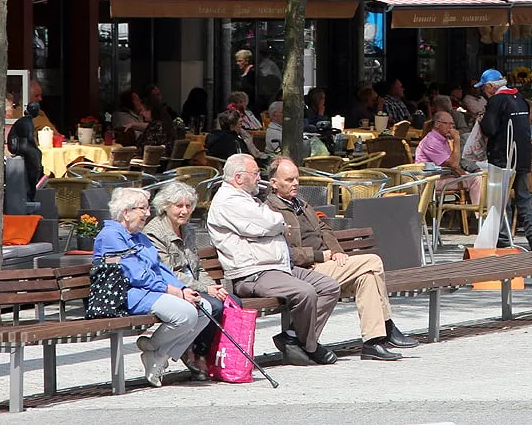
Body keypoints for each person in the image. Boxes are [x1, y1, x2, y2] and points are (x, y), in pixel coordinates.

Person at [263, 157, 417, 361]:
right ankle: (388, 326)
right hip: (305, 271)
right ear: (274, 183)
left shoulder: (300, 203)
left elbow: (323, 228)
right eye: (289, 180)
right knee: (372, 262)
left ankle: (372, 342)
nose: (295, 184)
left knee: (368, 278)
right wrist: (319, 255)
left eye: (297, 179)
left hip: (327, 264)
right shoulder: (270, 210)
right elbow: (284, 252)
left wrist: (337, 251)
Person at [206, 154, 342, 366]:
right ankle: (310, 345)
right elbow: (270, 222)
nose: (259, 177)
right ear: (239, 177)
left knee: (329, 286)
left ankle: (292, 337)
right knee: (304, 292)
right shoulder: (228, 200)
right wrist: (276, 223)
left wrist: (271, 224)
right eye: (255, 174)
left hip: (278, 267)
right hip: (252, 273)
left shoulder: (247, 198)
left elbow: (267, 224)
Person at [93, 187, 211, 387]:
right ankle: (154, 350)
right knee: (185, 314)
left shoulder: (139, 236)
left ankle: (156, 352)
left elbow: (160, 268)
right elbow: (136, 275)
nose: (148, 213)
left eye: (147, 209)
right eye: (143, 209)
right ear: (126, 212)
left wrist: (183, 289)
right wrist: (175, 292)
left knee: (204, 308)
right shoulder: (111, 236)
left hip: (150, 291)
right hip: (126, 294)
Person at [143, 182, 237, 380]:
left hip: (193, 284)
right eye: (179, 206)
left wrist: (213, 286)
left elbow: (197, 267)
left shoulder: (188, 230)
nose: (184, 211)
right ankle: (195, 351)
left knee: (233, 301)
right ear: (165, 206)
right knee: (214, 306)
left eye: (188, 206)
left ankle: (214, 355)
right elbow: (168, 272)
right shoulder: (154, 232)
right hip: (174, 287)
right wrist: (206, 288)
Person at [477, 68, 532, 250]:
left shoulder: (496, 100)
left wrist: (481, 120)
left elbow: (489, 129)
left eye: (483, 88)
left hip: (502, 156)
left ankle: (503, 239)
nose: (483, 92)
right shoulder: (520, 98)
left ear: (490, 87)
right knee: (524, 197)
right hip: (522, 155)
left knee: (501, 199)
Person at [416, 111, 483, 205]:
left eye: (452, 124)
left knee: (481, 176)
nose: (451, 127)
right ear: (437, 124)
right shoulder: (432, 141)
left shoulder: (443, 139)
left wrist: (464, 174)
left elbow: (453, 166)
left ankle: (479, 213)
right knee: (476, 180)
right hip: (430, 181)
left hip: (443, 177)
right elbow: (453, 164)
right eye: (448, 124)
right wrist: (457, 139)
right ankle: (479, 216)